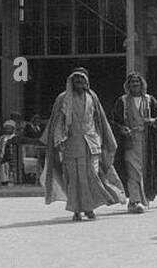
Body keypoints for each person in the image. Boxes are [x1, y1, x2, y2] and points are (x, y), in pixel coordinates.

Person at [41, 69, 124, 220]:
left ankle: (89, 207)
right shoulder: (63, 98)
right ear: (71, 82)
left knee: (91, 176)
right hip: (71, 144)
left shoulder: (92, 96)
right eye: (76, 80)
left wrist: (105, 139)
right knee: (74, 179)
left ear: (86, 81)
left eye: (82, 80)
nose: (79, 83)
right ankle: (76, 210)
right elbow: (58, 121)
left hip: (91, 144)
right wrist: (58, 139)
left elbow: (100, 120)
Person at [110, 72, 157, 213]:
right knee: (132, 171)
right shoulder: (122, 101)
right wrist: (122, 129)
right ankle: (134, 200)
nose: (135, 84)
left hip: (146, 142)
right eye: (132, 82)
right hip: (129, 142)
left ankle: (143, 199)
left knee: (144, 171)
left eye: (138, 82)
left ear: (142, 84)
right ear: (128, 85)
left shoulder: (149, 100)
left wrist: (152, 121)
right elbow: (113, 120)